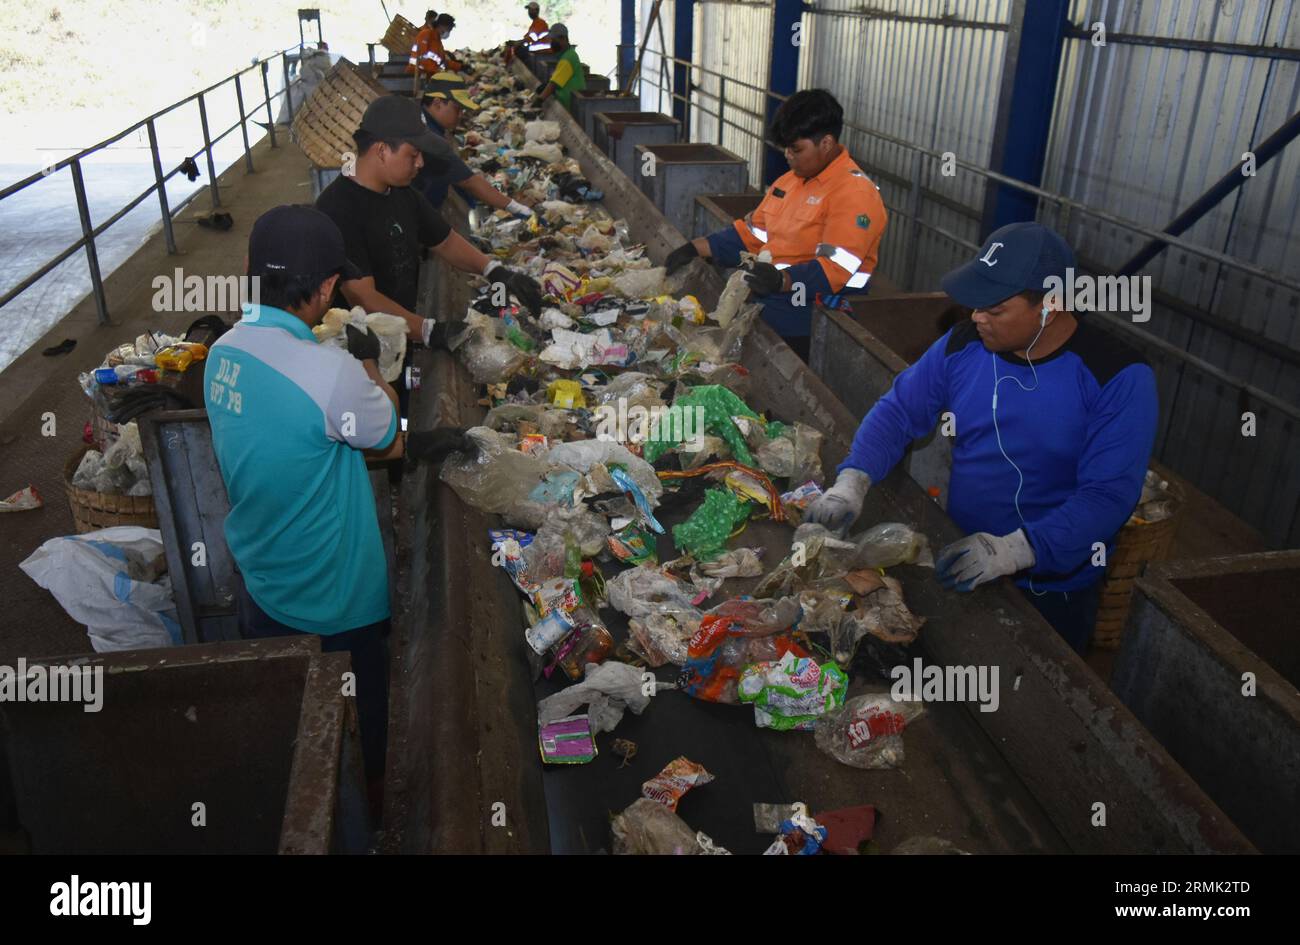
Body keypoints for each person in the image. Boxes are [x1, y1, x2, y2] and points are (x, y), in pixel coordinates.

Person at [203, 205, 472, 819]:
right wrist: (369, 361)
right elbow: (388, 440)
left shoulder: (222, 353)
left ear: (248, 271)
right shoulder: (328, 373)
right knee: (355, 732)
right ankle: (361, 815)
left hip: (259, 574)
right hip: (333, 598)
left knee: (289, 713)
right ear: (327, 288)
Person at [805, 223, 1158, 653]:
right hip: (959, 556)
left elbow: (1107, 497)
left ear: (1050, 304)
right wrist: (852, 481)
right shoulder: (965, 344)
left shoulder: (1117, 377)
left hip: (1050, 586)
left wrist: (1015, 550)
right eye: (975, 303)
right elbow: (899, 410)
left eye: (995, 307)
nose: (976, 316)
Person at [316, 96, 542, 409]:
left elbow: (445, 240)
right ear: (382, 150)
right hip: (359, 354)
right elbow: (363, 297)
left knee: (402, 408)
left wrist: (495, 271)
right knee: (377, 425)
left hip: (399, 338)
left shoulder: (400, 193)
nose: (420, 163)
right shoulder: (337, 209)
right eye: (414, 154)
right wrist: (429, 329)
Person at [663, 90, 886, 363]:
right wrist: (696, 248)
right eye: (786, 149)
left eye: (796, 149)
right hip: (767, 304)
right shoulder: (788, 183)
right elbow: (752, 234)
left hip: (809, 319)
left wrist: (782, 280)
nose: (788, 156)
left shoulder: (853, 193)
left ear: (826, 143)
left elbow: (835, 269)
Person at [415, 72, 534, 218]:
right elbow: (468, 181)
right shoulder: (430, 136)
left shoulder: (419, 120)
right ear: (437, 103)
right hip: (415, 217)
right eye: (457, 109)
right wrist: (515, 207)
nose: (460, 115)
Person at [534, 23, 585, 110]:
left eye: (553, 40)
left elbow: (554, 84)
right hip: (569, 104)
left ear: (563, 38)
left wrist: (539, 100)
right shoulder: (567, 54)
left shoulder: (568, 58)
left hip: (570, 107)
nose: (551, 43)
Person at [407, 10, 441, 77]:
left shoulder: (432, 32)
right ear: (431, 19)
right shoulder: (424, 32)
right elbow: (424, 53)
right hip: (421, 67)